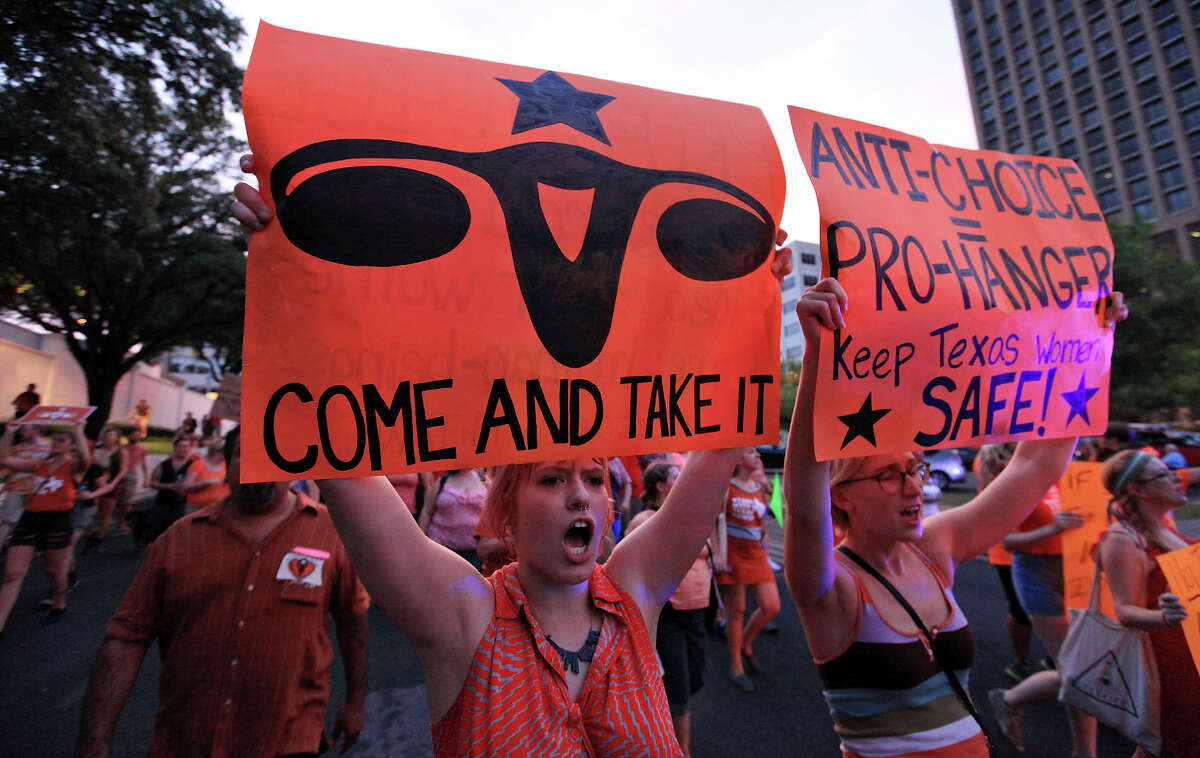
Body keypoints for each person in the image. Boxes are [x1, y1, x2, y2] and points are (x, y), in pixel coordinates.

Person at [233, 155, 794, 756]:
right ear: (505, 514)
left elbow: (723, 439)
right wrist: (286, 266)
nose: (582, 493)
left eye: (596, 478)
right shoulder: (464, 617)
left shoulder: (634, 590)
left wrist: (750, 297)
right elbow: (338, 457)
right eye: (552, 479)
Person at [781, 279, 1127, 758]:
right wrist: (820, 359)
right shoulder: (831, 586)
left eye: (914, 470)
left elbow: (1035, 464)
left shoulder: (934, 546)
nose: (914, 486)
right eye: (888, 476)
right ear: (841, 499)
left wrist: (1091, 342)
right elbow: (801, 509)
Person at [74, 427, 369, 757]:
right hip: (186, 741)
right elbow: (126, 639)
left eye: (275, 453)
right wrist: (94, 742)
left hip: (290, 739)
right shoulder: (178, 540)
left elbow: (352, 618)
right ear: (226, 464)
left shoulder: (331, 533)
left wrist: (356, 700)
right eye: (247, 453)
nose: (261, 465)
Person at [984, 444, 1096, 756]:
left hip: (1077, 573)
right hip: (1038, 576)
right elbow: (1007, 541)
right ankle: (1084, 751)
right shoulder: (1011, 485)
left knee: (1083, 667)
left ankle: (1009, 700)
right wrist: (1053, 528)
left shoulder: (1065, 476)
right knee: (1074, 671)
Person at [1098, 450, 1197, 758]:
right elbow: (1124, 610)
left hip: (1192, 651)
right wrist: (1164, 616)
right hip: (1172, 663)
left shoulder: (1163, 524)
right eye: (1165, 474)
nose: (1176, 478)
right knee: (1176, 741)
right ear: (1137, 490)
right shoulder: (1123, 539)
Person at [627, 461, 714, 758]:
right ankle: (680, 750)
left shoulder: (689, 517)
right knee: (678, 683)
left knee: (695, 676)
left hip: (697, 609)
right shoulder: (644, 521)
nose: (682, 479)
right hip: (669, 613)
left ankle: (658, 715)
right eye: (677, 476)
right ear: (661, 486)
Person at [0, 421, 90, 631]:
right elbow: (4, 459)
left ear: (71, 446)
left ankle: (59, 604)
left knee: (55, 571)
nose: (55, 443)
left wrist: (78, 432)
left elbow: (85, 459)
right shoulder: (39, 465)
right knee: (12, 573)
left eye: (61, 441)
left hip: (58, 521)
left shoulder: (73, 467)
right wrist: (9, 432)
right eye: (54, 440)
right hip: (30, 520)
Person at [717, 447, 779, 692]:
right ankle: (735, 665)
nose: (759, 457)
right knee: (737, 610)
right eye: (753, 453)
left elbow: (763, 521)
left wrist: (767, 544)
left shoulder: (759, 487)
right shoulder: (726, 487)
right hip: (733, 554)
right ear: (739, 459)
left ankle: (745, 643)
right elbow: (716, 520)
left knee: (772, 605)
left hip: (756, 553)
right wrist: (719, 552)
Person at [418, 468, 490, 571]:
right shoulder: (443, 481)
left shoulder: (484, 481)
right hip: (442, 550)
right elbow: (427, 512)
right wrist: (421, 541)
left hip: (474, 553)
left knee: (472, 585)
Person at [0, 424, 51, 550]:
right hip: (15, 488)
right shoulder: (18, 448)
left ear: (37, 429)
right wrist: (4, 483)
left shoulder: (49, 447)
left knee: (32, 521)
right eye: (21, 429)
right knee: (6, 521)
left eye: (25, 429)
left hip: (37, 490)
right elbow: (6, 465)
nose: (22, 432)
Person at [141, 436, 194, 547]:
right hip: (162, 503)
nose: (183, 449)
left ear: (190, 449)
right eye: (180, 446)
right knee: (156, 531)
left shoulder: (194, 466)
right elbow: (152, 483)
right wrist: (169, 486)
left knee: (176, 533)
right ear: (175, 447)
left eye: (186, 447)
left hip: (182, 504)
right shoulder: (164, 465)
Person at [83, 426, 130, 549]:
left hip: (112, 484)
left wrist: (114, 482)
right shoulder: (95, 449)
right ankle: (89, 534)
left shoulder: (121, 452)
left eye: (111, 435)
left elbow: (123, 470)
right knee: (88, 510)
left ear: (117, 438)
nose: (108, 437)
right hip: (94, 484)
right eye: (106, 434)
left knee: (105, 512)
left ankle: (101, 538)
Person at [182, 437, 230, 513]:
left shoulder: (228, 466)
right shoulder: (199, 464)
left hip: (220, 510)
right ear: (218, 451)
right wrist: (205, 482)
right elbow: (186, 486)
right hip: (197, 509)